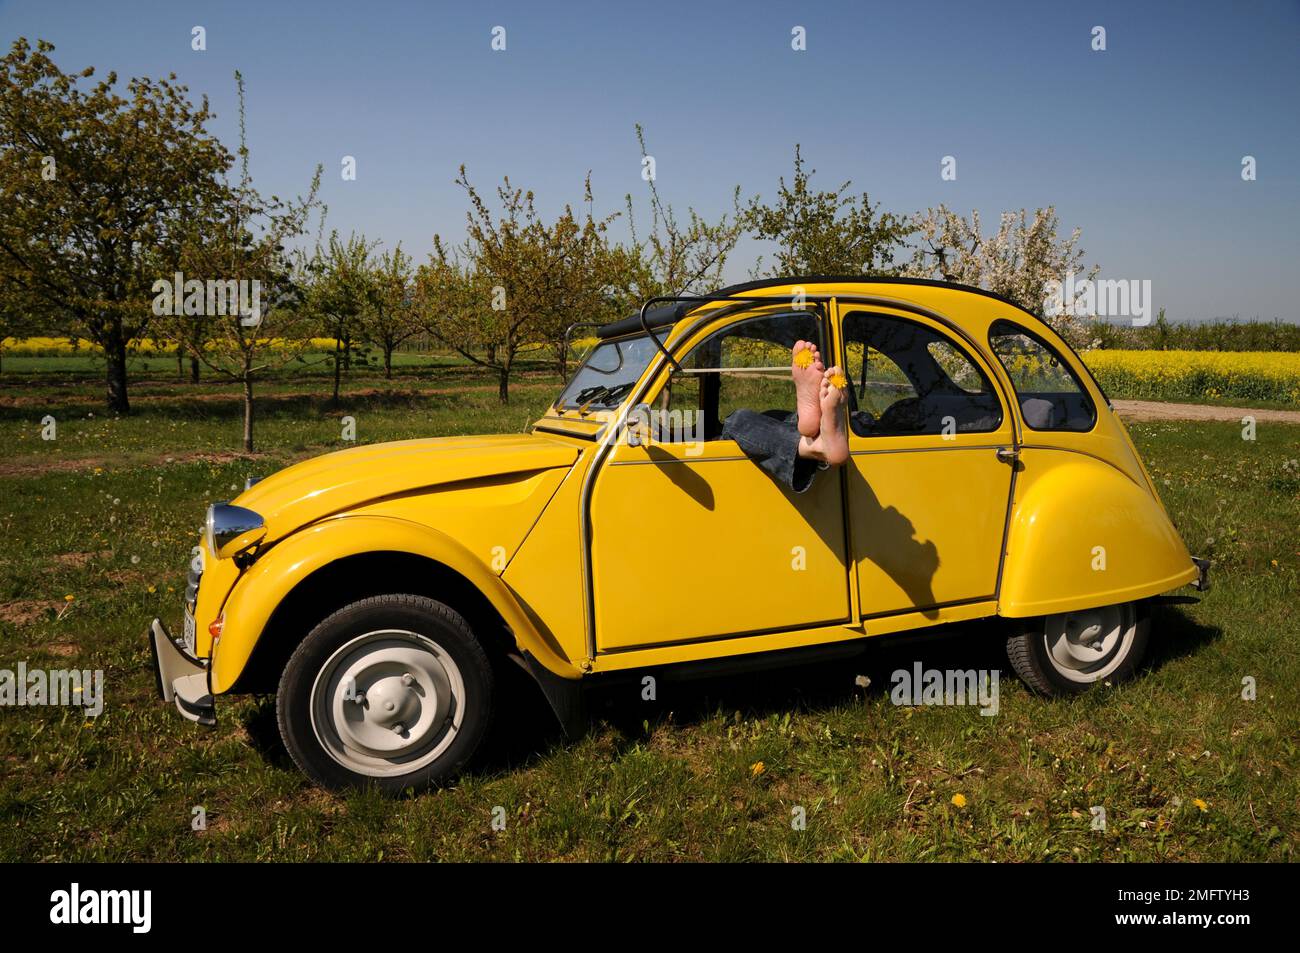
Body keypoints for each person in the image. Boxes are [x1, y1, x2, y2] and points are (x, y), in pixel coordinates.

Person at [719, 341, 850, 493]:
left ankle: (816, 435)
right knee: (745, 419)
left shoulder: (689, 422)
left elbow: (692, 440)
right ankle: (816, 439)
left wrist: (689, 436)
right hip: (809, 466)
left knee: (752, 419)